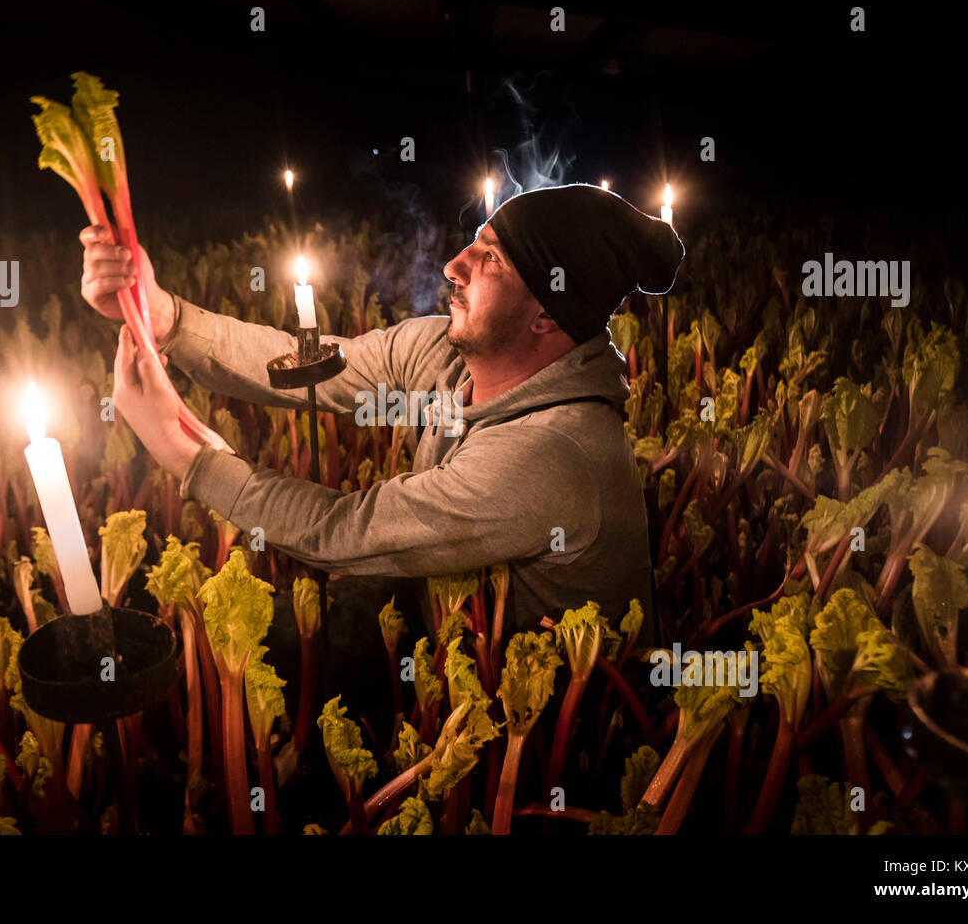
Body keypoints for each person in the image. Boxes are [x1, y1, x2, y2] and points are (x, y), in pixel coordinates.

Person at [82, 183, 683, 727]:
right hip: (444, 633)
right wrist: (166, 318)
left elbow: (348, 529)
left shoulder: (554, 453)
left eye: (492, 259)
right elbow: (310, 367)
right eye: (476, 243)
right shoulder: (448, 355)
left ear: (548, 315)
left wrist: (186, 457)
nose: (453, 266)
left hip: (536, 723)